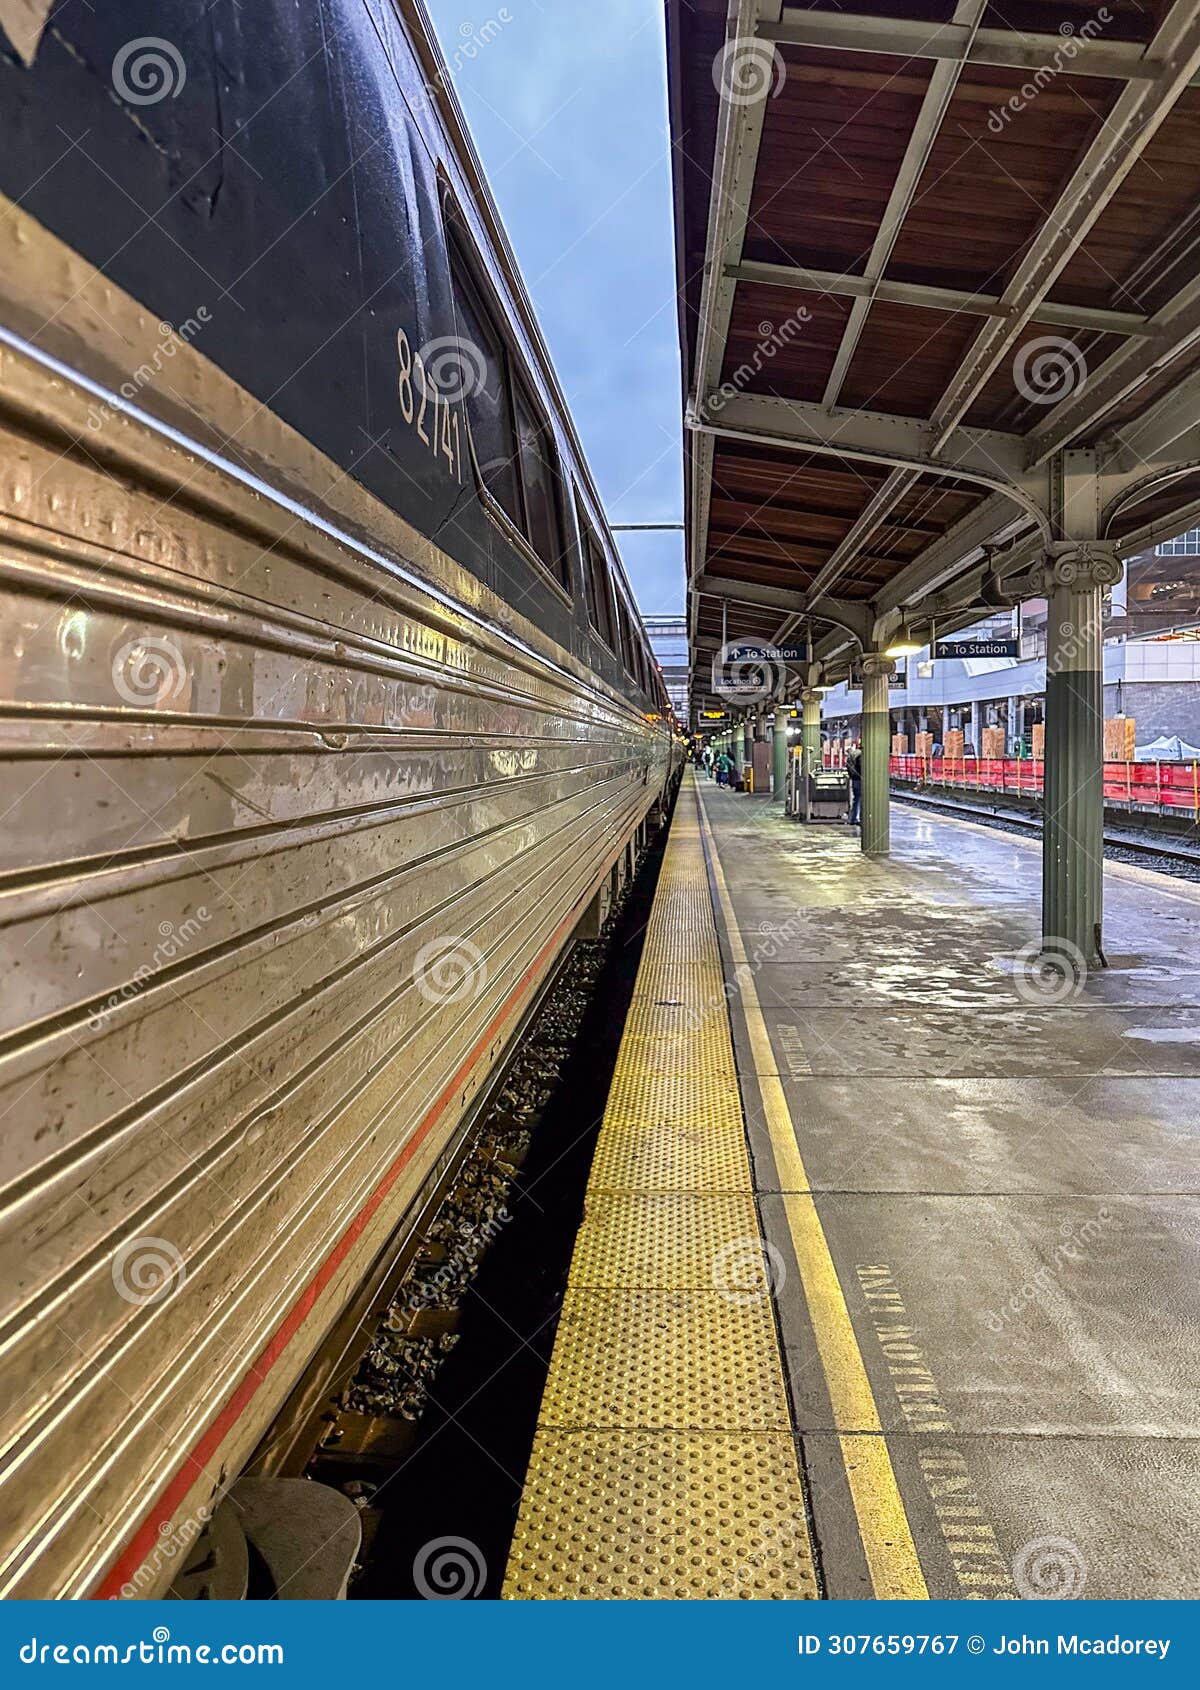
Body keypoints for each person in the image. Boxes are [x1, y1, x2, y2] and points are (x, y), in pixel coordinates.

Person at [846, 744, 862, 827]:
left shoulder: (852, 754)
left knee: (856, 799)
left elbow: (848, 766)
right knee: (863, 800)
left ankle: (853, 818)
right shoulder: (861, 754)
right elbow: (861, 766)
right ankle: (862, 818)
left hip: (854, 779)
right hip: (861, 779)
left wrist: (852, 776)